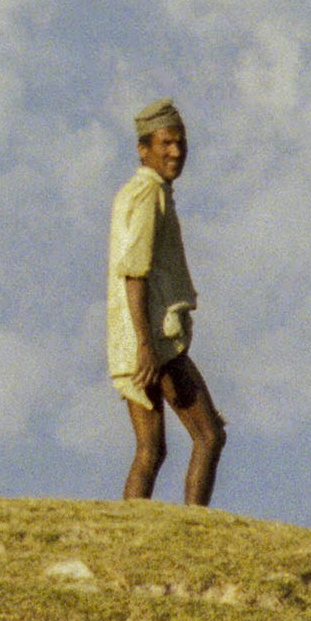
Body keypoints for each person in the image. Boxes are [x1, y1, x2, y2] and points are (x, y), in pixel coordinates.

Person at [110, 97, 224, 505]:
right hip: (155, 340)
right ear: (145, 149)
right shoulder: (147, 195)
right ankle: (193, 528)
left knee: (151, 449)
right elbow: (134, 271)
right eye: (165, 144)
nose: (176, 152)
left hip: (138, 339)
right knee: (208, 435)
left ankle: (130, 533)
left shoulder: (142, 192)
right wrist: (145, 344)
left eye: (181, 144)